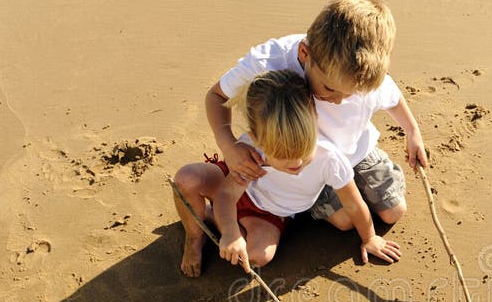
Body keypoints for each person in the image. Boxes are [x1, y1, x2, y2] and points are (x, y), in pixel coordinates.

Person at [206, 0, 427, 233]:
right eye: (330, 88)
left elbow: (393, 98)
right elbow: (216, 96)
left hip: (356, 149)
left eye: (351, 93)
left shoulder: (365, 75)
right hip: (309, 164)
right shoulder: (267, 62)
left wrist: (412, 131)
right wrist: (229, 145)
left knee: (393, 211)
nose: (339, 100)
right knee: (345, 222)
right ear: (304, 53)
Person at [172, 70, 401, 277]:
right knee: (187, 179)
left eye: (304, 150)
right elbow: (226, 195)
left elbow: (354, 203)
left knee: (257, 257)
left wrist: (369, 237)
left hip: (268, 213)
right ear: (257, 138)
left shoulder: (329, 159)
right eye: (283, 155)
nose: (297, 163)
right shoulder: (254, 150)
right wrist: (231, 233)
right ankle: (195, 236)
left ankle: (209, 215)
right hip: (232, 184)